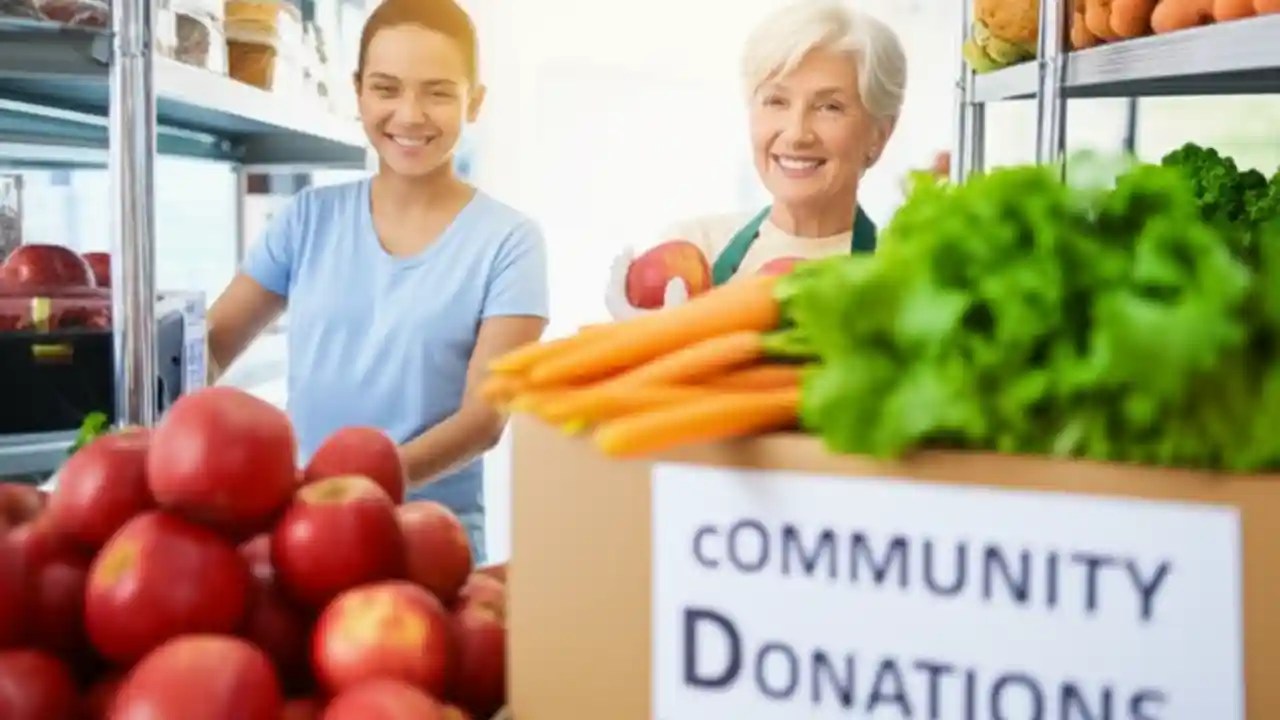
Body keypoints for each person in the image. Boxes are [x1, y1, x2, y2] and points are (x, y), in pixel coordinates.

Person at [205, 0, 549, 564]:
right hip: (303, 532)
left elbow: (483, 421)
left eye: (437, 92)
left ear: (475, 102)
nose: (410, 115)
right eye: (386, 89)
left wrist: (350, 486)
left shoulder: (510, 242)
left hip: (427, 540)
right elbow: (213, 344)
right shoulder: (307, 217)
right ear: (358, 91)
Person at [605, 0, 905, 318]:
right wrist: (639, 344)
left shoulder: (897, 282)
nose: (796, 134)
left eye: (829, 107)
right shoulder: (699, 247)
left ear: (878, 136)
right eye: (776, 101)